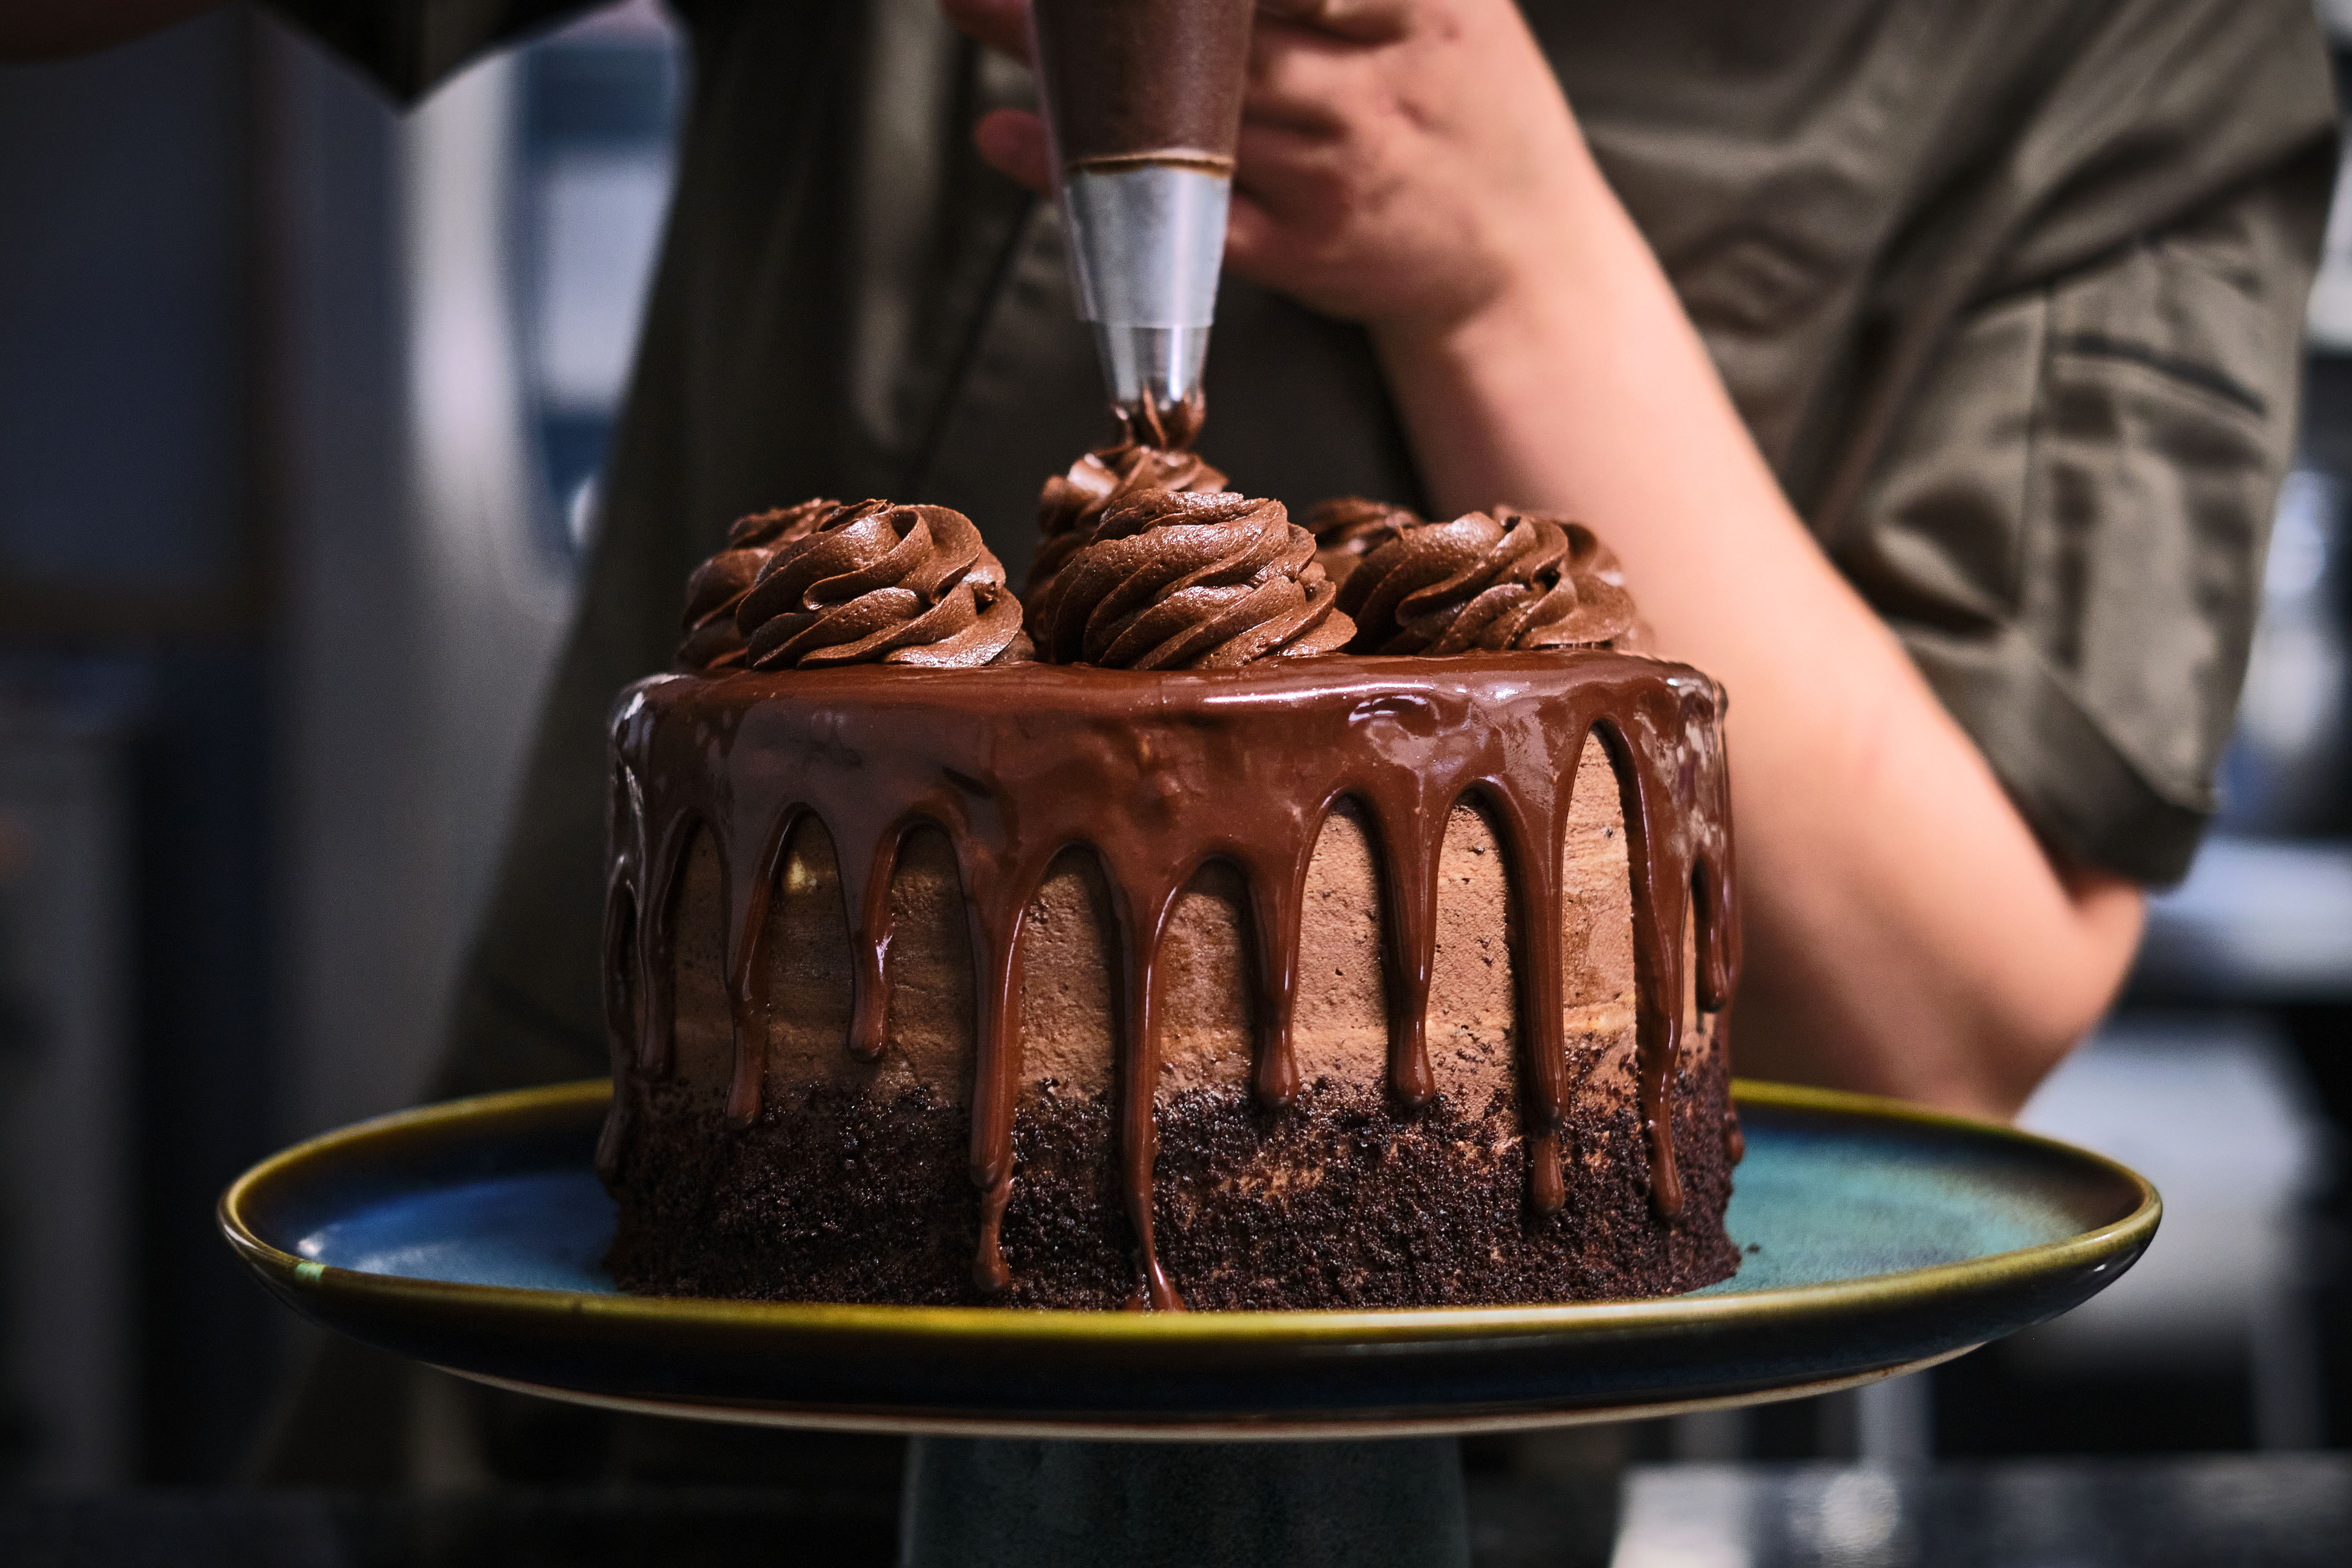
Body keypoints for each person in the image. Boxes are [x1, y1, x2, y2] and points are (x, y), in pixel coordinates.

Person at [7, 0, 2336, 1483]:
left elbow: (1946, 1022)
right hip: (559, 1447)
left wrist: (1497, 252)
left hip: (1413, 1482)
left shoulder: (2130, 42)